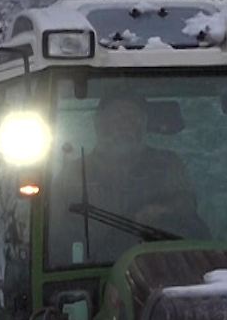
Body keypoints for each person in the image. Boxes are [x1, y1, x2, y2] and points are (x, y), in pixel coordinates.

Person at [80, 94, 207, 239]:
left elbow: (186, 204)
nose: (125, 125)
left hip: (157, 249)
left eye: (133, 118)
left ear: (144, 123)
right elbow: (61, 222)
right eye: (117, 117)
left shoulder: (166, 163)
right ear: (99, 123)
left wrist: (162, 211)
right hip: (93, 251)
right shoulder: (76, 172)